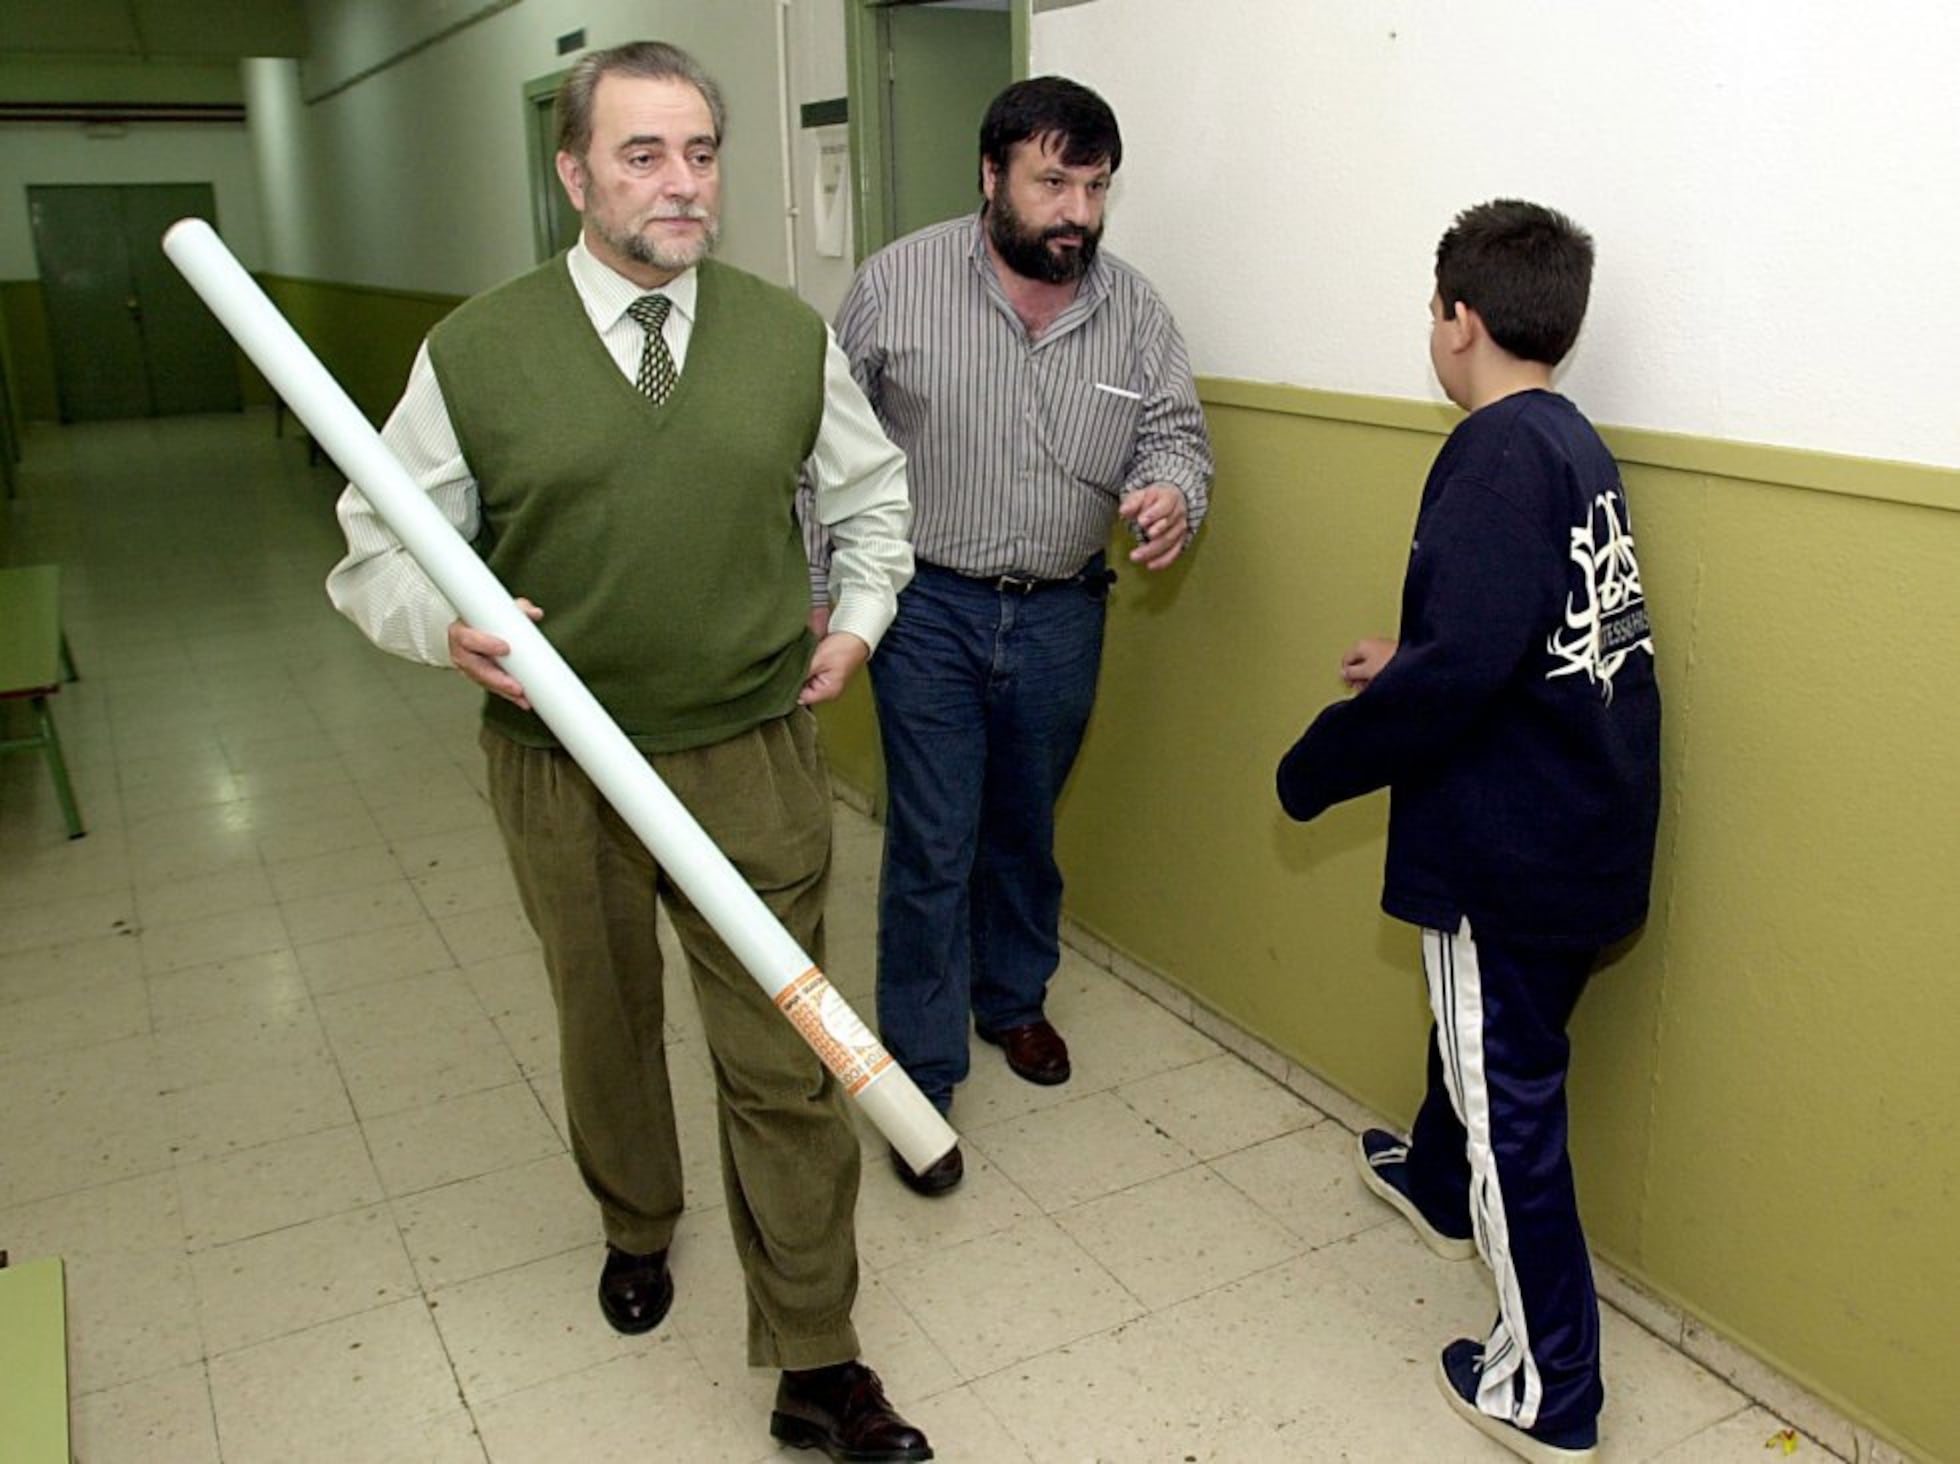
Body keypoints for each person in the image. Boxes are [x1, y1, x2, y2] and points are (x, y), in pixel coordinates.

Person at [327, 41, 932, 1463]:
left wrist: (859, 616)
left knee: (790, 1062)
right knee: (606, 1024)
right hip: (563, 767)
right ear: (573, 172)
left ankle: (816, 1358)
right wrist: (447, 628)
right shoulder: (476, 352)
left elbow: (873, 495)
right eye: (644, 154)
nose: (681, 184)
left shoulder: (789, 336)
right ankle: (636, 1223)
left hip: (749, 750)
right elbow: (375, 556)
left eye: (703, 154)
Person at [1275, 200, 1660, 1463]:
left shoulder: (1492, 455)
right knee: (1485, 1038)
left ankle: (1551, 1389)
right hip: (1585, 825)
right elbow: (1523, 635)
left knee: (1513, 1106)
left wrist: (1319, 765)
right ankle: (1438, 1183)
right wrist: (1421, 650)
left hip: (1511, 849)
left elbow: (1454, 686)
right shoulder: (1566, 442)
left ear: (1462, 320)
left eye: (1430, 311)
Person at [807, 76, 1213, 1196]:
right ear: (991, 179)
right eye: (1051, 182)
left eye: (1092, 186)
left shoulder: (1131, 311)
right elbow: (827, 449)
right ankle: (918, 1071)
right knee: (935, 836)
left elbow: (1175, 437)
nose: (1074, 210)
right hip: (924, 606)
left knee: (1024, 827)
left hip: (1061, 610)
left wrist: (1174, 492)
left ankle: (1012, 1002)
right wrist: (819, 590)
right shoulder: (896, 285)